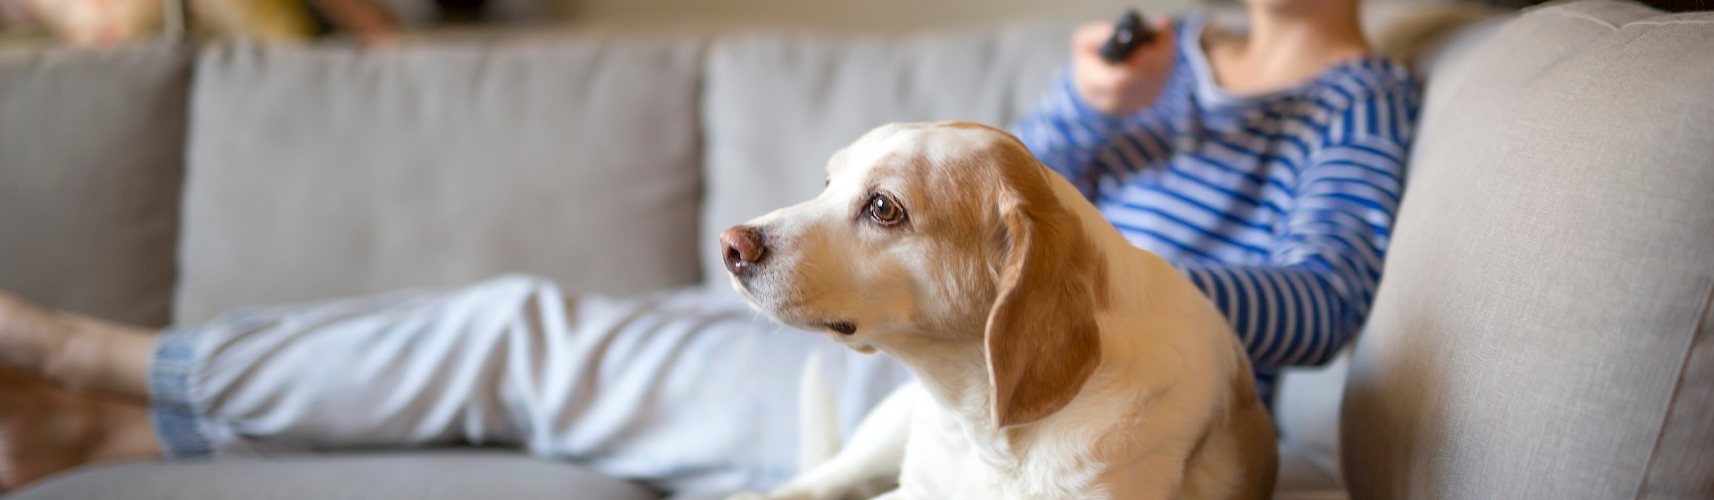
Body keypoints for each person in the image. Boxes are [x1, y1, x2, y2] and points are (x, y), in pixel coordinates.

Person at [0, 0, 1416, 494]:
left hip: (1028, 378)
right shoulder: (1156, 55)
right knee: (535, 354)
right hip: (921, 328)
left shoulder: (1354, 101)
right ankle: (107, 436)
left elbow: (1324, 299)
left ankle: (100, 364)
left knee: (520, 340)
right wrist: (1084, 113)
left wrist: (1100, 280)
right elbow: (991, 191)